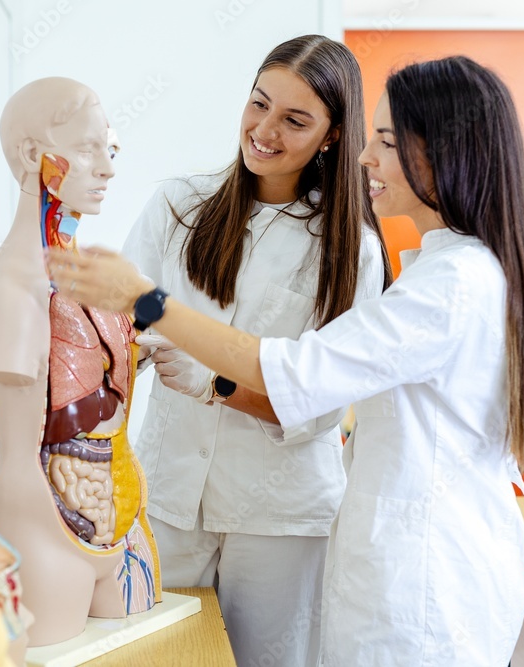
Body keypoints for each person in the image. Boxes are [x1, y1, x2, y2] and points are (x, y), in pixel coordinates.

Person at [48, 55, 524, 666]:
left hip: (412, 575)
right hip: (362, 553)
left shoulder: (444, 283)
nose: (366, 156)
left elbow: (301, 378)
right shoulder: (448, 271)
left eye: (386, 142)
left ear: (445, 156)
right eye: (259, 103)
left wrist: (154, 309)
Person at [118, 35, 390, 666]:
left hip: (279, 517)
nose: (264, 131)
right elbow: (122, 317)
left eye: (295, 120)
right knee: (157, 657)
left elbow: (319, 407)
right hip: (168, 496)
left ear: (331, 135)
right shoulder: (178, 206)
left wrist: (212, 382)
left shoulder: (350, 249)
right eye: (259, 103)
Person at [0, 77, 160, 648]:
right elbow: (19, 443)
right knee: (52, 651)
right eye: (86, 149)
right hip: (46, 526)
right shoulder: (12, 287)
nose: (107, 168)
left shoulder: (85, 271)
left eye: (110, 149)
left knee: (141, 650)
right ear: (34, 154)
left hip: (119, 512)